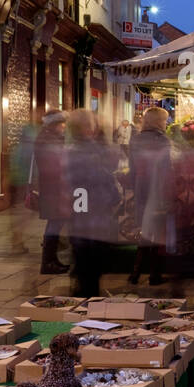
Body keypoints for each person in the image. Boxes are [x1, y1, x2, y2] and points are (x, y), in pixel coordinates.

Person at [62, 109, 121, 296]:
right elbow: (93, 184)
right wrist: (110, 199)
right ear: (88, 128)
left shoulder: (71, 151)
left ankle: (84, 296)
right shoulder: (90, 152)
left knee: (85, 265)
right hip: (93, 219)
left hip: (83, 218)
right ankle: (87, 304)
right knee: (90, 267)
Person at [128, 107, 174, 285]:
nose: (165, 123)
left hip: (141, 187)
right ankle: (154, 274)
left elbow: (132, 169)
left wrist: (134, 188)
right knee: (156, 230)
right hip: (158, 187)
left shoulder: (136, 140)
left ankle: (136, 273)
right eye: (164, 120)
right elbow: (166, 168)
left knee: (146, 230)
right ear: (157, 122)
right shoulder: (162, 140)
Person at [33, 111, 70, 274]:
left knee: (55, 224)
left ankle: (52, 260)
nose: (64, 126)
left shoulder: (50, 138)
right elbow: (56, 165)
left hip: (53, 188)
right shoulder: (48, 140)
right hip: (53, 188)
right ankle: (48, 263)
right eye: (62, 123)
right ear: (54, 124)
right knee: (54, 225)